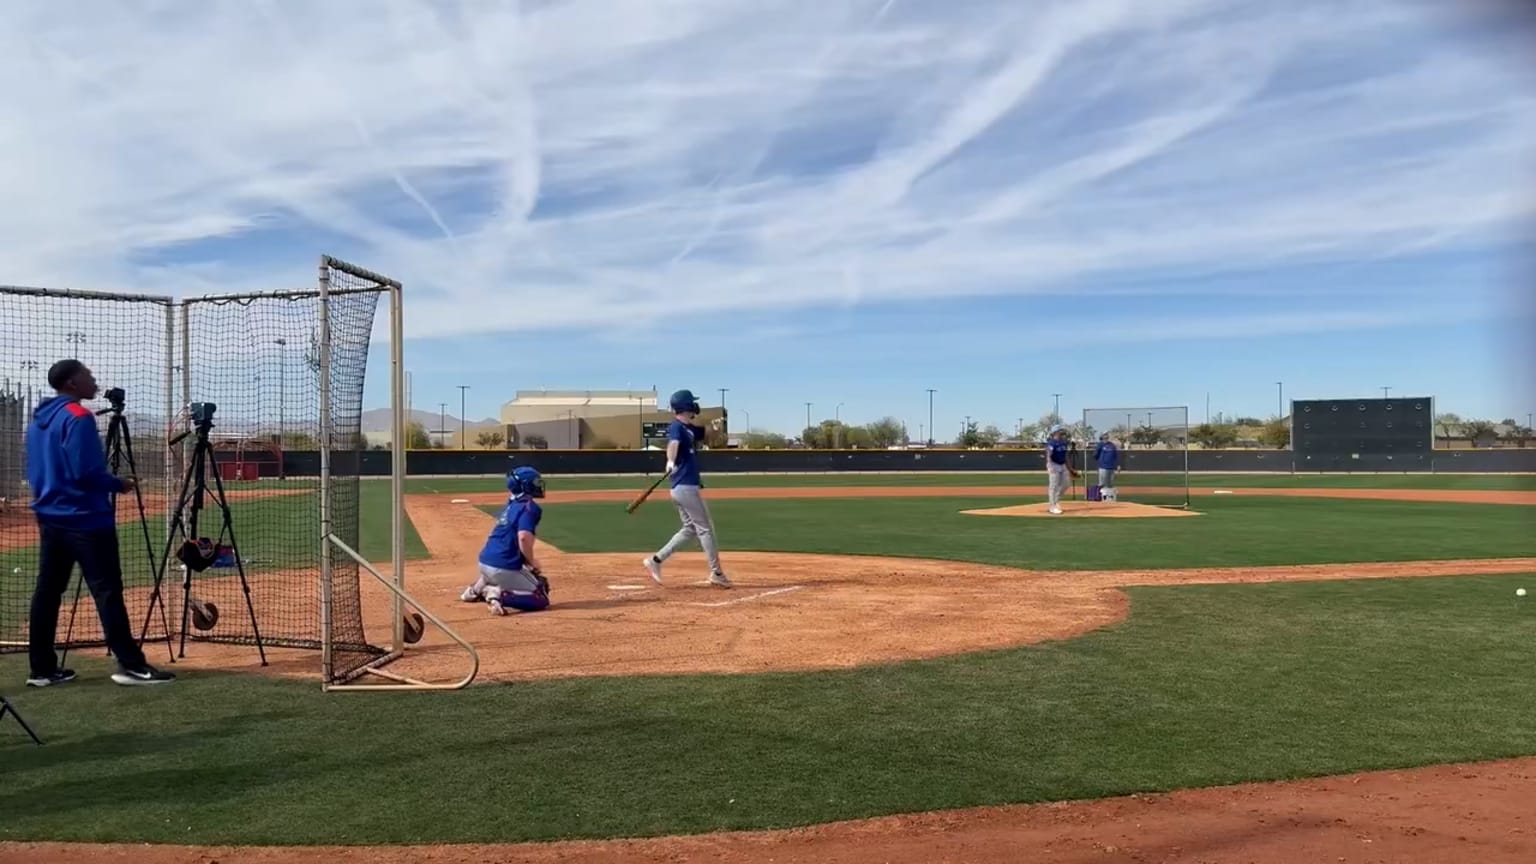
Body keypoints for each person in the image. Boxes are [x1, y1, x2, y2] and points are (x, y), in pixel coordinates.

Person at [25, 359, 175, 687]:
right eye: (87, 376)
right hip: (86, 519)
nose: (93, 380)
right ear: (71, 384)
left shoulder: (38, 420)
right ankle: (131, 666)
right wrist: (118, 484)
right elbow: (86, 473)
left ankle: (42, 669)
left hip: (50, 517)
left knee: (48, 592)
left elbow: (36, 470)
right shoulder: (78, 417)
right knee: (107, 591)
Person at [643, 389, 731, 588]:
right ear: (686, 406)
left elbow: (708, 433)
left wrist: (717, 424)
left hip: (683, 488)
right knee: (705, 529)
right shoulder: (677, 427)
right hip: (685, 487)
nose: (695, 406)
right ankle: (716, 572)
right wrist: (671, 460)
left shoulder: (689, 429)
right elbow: (673, 444)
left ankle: (655, 560)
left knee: (690, 528)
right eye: (692, 404)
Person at [462, 465, 550, 615]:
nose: (537, 485)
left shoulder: (511, 504)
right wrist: (532, 562)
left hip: (485, 561)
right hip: (503, 567)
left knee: (501, 569)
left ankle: (474, 591)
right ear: (526, 485)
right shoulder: (529, 507)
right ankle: (497, 594)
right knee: (541, 597)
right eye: (534, 482)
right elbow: (523, 537)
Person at [1043, 424, 1077, 515]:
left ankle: (1056, 500)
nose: (1063, 432)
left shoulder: (1064, 442)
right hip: (1054, 465)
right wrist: (1050, 466)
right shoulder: (1051, 443)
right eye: (1060, 431)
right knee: (1053, 486)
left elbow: (1066, 456)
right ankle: (1052, 506)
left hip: (1062, 465)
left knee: (1066, 483)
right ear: (1055, 432)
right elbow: (1048, 455)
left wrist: (1070, 469)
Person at [1092, 433, 1121, 502]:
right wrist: (1101, 461)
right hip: (1103, 467)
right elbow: (1095, 454)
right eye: (1104, 435)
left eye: (1107, 435)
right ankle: (1098, 498)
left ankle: (1109, 499)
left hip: (1111, 467)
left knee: (1110, 484)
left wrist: (1118, 465)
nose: (1106, 437)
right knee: (1101, 483)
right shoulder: (1100, 445)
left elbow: (1115, 456)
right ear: (1102, 437)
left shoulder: (1112, 445)